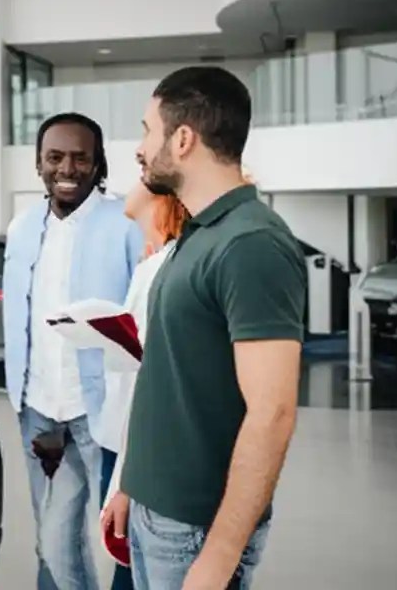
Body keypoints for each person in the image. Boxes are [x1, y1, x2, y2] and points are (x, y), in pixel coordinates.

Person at [111, 67, 307, 590]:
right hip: (158, 510)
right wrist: (133, 485)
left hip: (195, 531)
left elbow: (274, 413)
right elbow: (169, 378)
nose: (140, 147)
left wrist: (219, 557)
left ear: (182, 139)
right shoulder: (200, 233)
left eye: (147, 129)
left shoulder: (251, 244)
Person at [3, 112, 144, 590]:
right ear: (39, 163)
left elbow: (140, 316)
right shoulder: (21, 228)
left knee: (124, 541)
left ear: (99, 163)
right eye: (55, 157)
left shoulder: (126, 223)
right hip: (39, 408)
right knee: (53, 539)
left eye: (81, 158)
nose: (67, 168)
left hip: (105, 410)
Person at [96, 180, 190, 590]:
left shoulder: (160, 271)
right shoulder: (154, 264)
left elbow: (147, 387)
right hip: (124, 446)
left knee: (133, 572)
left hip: (136, 458)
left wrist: (126, 483)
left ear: (163, 198)